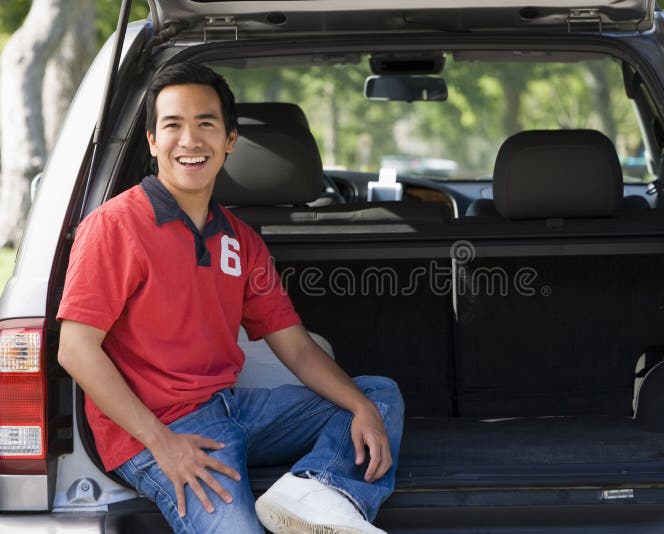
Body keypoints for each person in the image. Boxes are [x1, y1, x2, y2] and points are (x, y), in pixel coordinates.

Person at [56, 62, 403, 534]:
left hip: (232, 409)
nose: (190, 140)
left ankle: (321, 491)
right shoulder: (115, 226)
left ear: (230, 139)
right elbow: (75, 349)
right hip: (155, 432)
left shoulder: (241, 242)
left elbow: (298, 348)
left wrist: (360, 409)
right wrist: (163, 444)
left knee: (377, 396)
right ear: (153, 142)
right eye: (173, 125)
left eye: (206, 124)